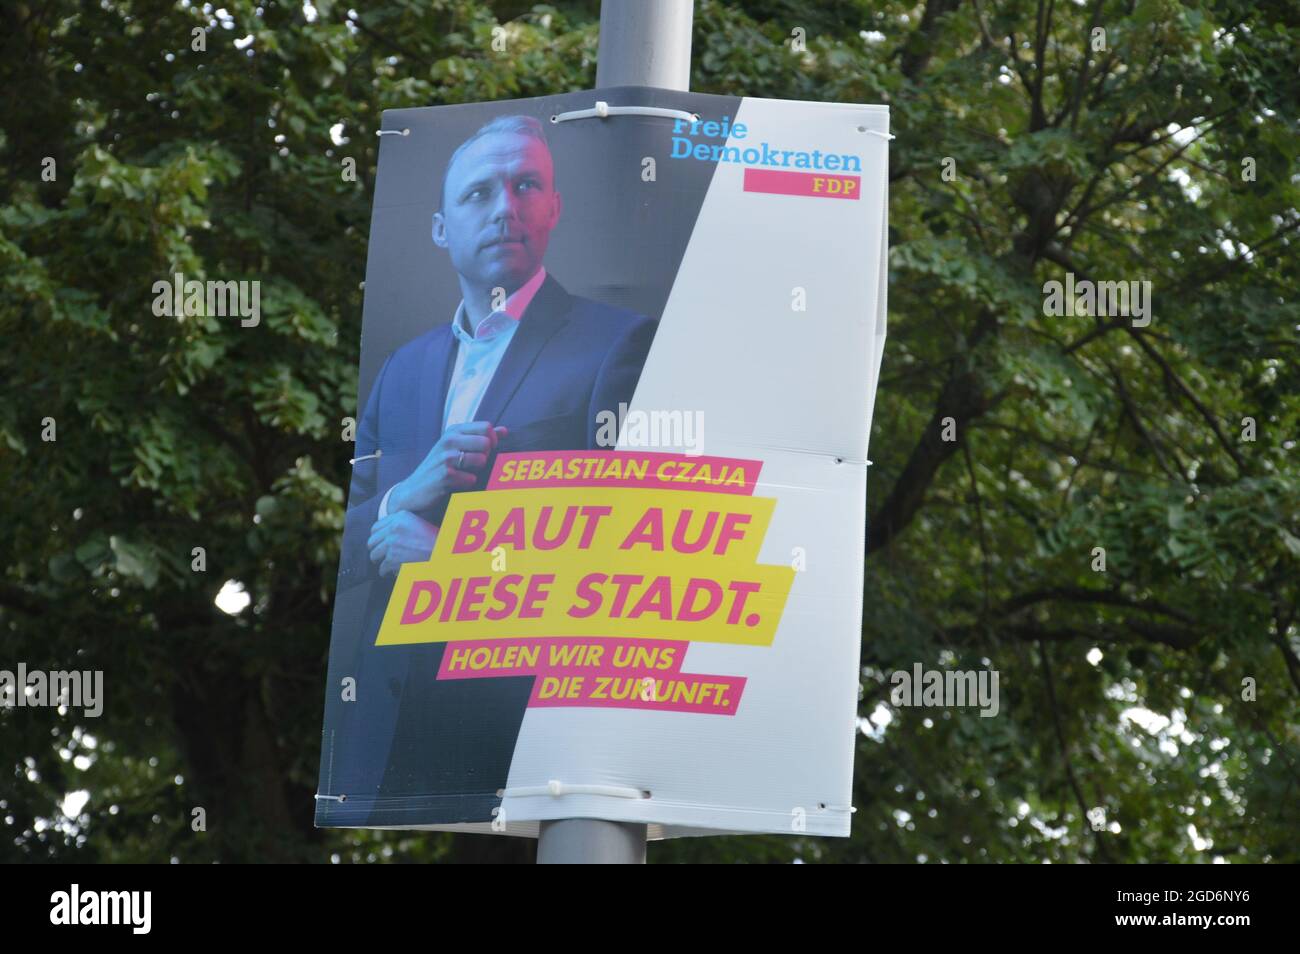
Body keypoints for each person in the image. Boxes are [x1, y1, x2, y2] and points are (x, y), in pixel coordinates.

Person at [320, 115, 656, 825]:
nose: (505, 207)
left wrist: (447, 565)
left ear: (554, 208)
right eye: (479, 194)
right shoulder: (400, 369)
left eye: (526, 185)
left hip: (524, 727)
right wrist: (402, 498)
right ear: (442, 229)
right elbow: (344, 544)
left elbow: (629, 550)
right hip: (382, 729)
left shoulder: (618, 344)